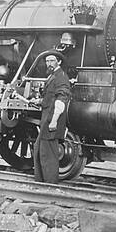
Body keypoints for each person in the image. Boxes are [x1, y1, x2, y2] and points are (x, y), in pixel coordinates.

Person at [33, 52, 73, 184]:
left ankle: (49, 182)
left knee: (48, 153)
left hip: (52, 119)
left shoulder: (61, 77)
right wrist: (40, 101)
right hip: (47, 117)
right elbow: (51, 97)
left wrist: (54, 121)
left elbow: (61, 100)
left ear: (59, 62)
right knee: (40, 148)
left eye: (52, 61)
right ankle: (41, 180)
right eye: (47, 61)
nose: (49, 63)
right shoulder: (53, 76)